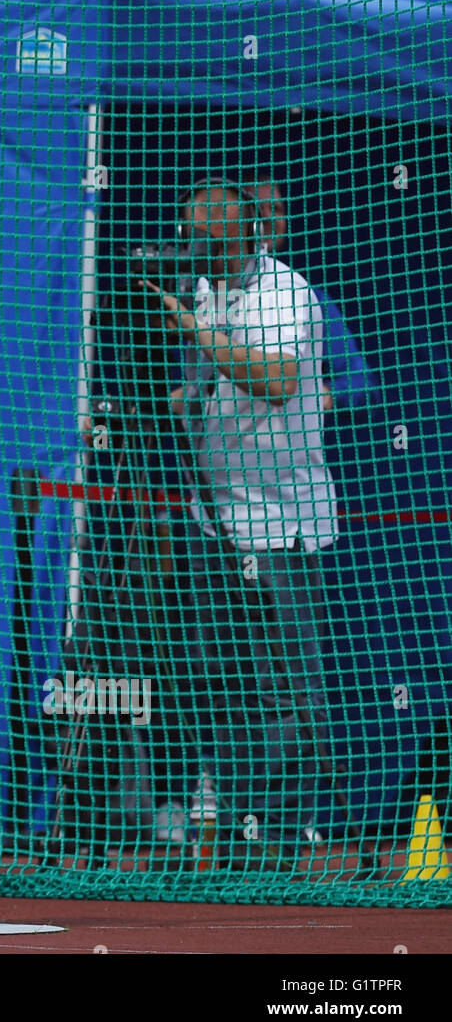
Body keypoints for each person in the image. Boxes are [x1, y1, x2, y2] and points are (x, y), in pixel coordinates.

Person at [140, 179, 340, 870]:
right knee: (219, 679)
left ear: (242, 233)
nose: (192, 240)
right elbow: (206, 384)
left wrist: (199, 334)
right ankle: (235, 828)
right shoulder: (203, 292)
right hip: (213, 519)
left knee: (284, 688)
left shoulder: (284, 291)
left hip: (280, 522)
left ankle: (282, 842)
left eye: (205, 230)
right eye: (188, 226)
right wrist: (179, 396)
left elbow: (281, 381)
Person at [244, 174, 376, 413]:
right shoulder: (213, 296)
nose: (268, 216)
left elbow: (361, 381)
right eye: (257, 207)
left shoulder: (309, 297)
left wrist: (326, 395)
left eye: (276, 208)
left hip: (289, 446)